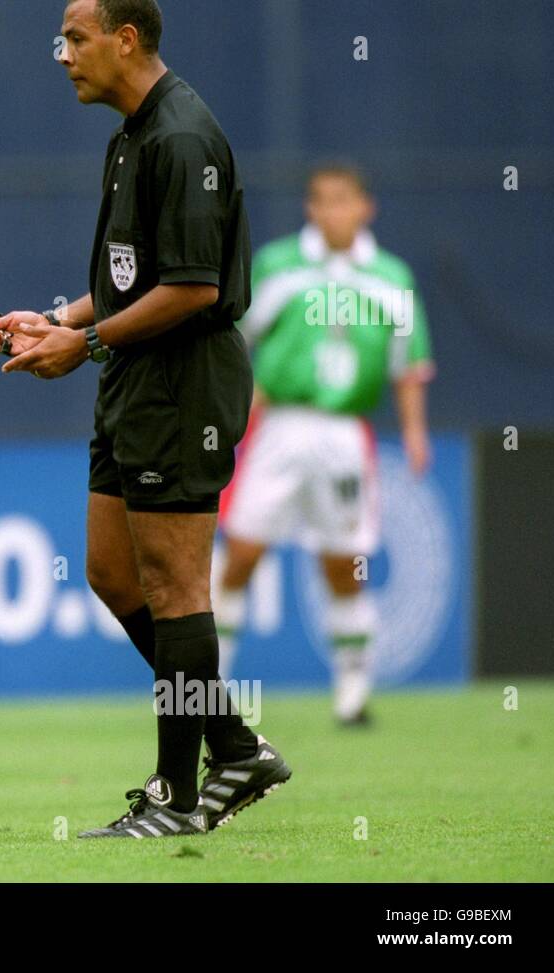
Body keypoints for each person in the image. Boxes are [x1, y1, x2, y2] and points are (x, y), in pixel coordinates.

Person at [0, 0, 290, 837]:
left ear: (125, 39)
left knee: (177, 586)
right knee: (113, 572)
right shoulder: (131, 135)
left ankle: (177, 797)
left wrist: (86, 345)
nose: (63, 55)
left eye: (75, 39)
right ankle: (234, 743)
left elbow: (193, 289)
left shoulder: (182, 138)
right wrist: (56, 321)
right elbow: (129, 281)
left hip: (184, 382)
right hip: (135, 381)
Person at [215, 163, 435, 725]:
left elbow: (408, 366)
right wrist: (239, 401)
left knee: (344, 564)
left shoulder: (391, 276)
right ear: (310, 209)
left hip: (343, 433)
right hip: (278, 427)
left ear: (366, 207)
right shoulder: (278, 265)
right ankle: (207, 691)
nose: (332, 210)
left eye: (343, 200)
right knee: (241, 552)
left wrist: (414, 432)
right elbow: (235, 338)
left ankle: (353, 695)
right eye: (320, 201)